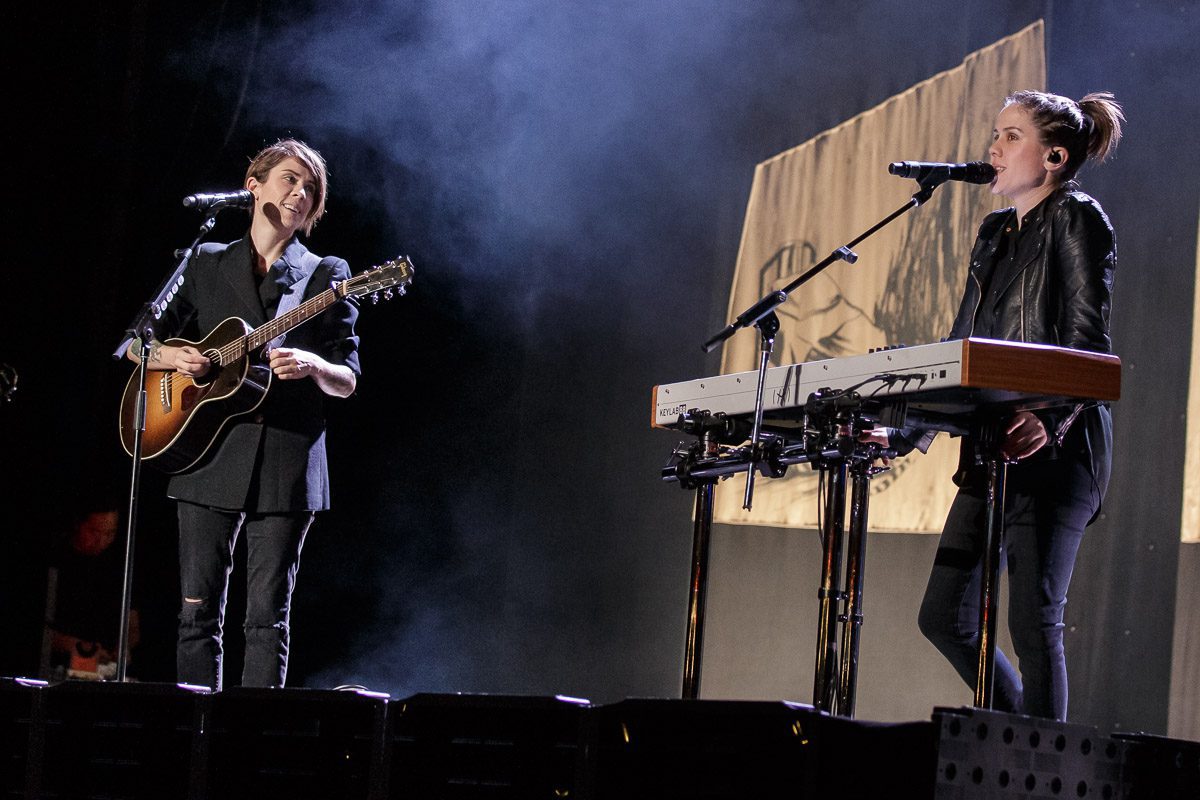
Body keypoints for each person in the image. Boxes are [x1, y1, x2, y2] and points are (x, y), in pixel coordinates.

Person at [870, 91, 1124, 720]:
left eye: (1012, 136)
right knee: (944, 614)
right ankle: (1022, 735)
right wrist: (903, 430)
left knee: (1034, 624)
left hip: (1057, 449)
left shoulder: (1075, 217)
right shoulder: (992, 231)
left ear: (1055, 157)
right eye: (996, 134)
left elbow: (1088, 341)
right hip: (992, 449)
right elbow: (965, 349)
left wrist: (1049, 415)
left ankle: (1047, 770)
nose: (994, 148)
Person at [127, 139, 360, 689]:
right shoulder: (207, 262)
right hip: (206, 450)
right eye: (289, 180)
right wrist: (170, 356)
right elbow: (137, 346)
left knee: (265, 619)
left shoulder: (327, 273)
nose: (300, 194)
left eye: (310, 189)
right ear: (253, 186)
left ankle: (254, 745)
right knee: (195, 615)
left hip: (285, 455)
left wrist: (312, 363)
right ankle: (192, 742)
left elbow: (349, 379)